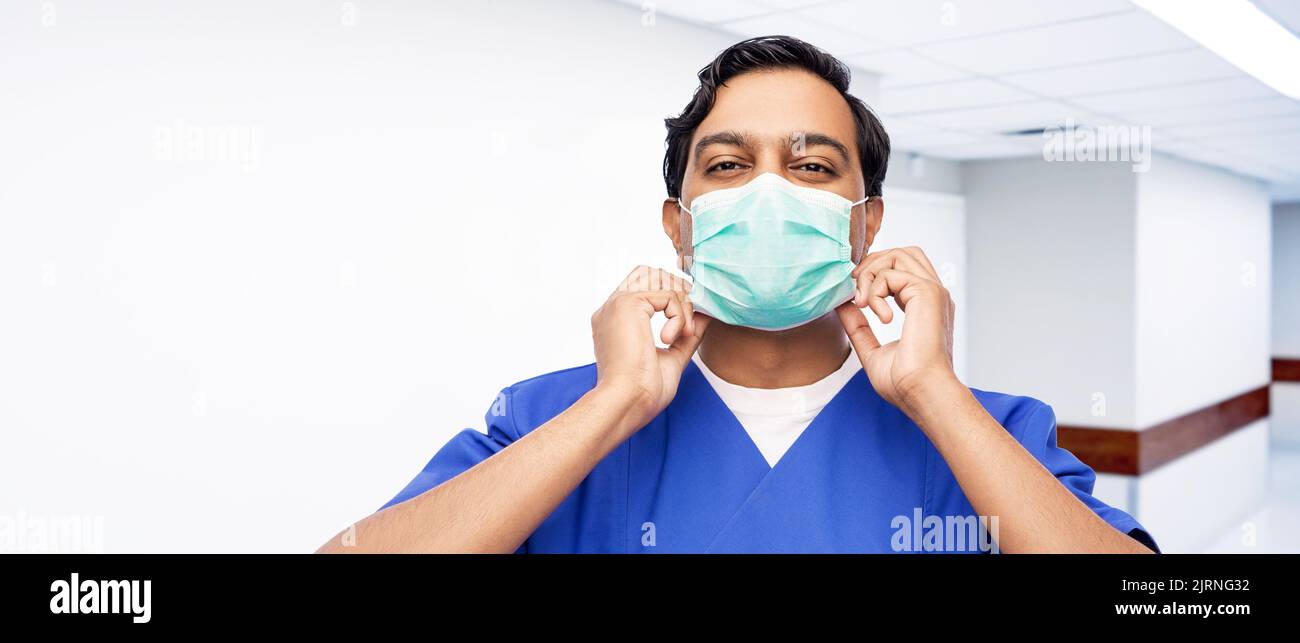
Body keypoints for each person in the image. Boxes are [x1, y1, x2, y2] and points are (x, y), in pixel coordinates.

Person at [316, 36, 1159, 554]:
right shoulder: (552, 421)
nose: (768, 191)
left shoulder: (989, 433)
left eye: (811, 166)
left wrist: (935, 393)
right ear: (679, 225)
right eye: (727, 164)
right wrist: (612, 406)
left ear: (866, 226)